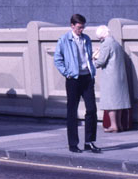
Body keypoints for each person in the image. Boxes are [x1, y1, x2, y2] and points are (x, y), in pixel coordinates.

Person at [54, 13, 100, 154]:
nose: (81, 30)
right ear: (72, 26)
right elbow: (57, 59)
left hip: (87, 77)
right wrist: (67, 73)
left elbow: (88, 56)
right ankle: (73, 144)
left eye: (83, 27)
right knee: (72, 111)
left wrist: (91, 69)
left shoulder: (86, 39)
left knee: (92, 109)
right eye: (79, 27)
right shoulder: (64, 40)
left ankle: (89, 142)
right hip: (73, 79)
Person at [93, 25, 130, 132]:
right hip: (120, 76)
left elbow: (101, 61)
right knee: (118, 102)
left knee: (110, 103)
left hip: (110, 77)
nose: (100, 40)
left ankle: (114, 126)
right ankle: (119, 125)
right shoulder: (116, 43)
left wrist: (91, 63)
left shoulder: (106, 44)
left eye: (99, 38)